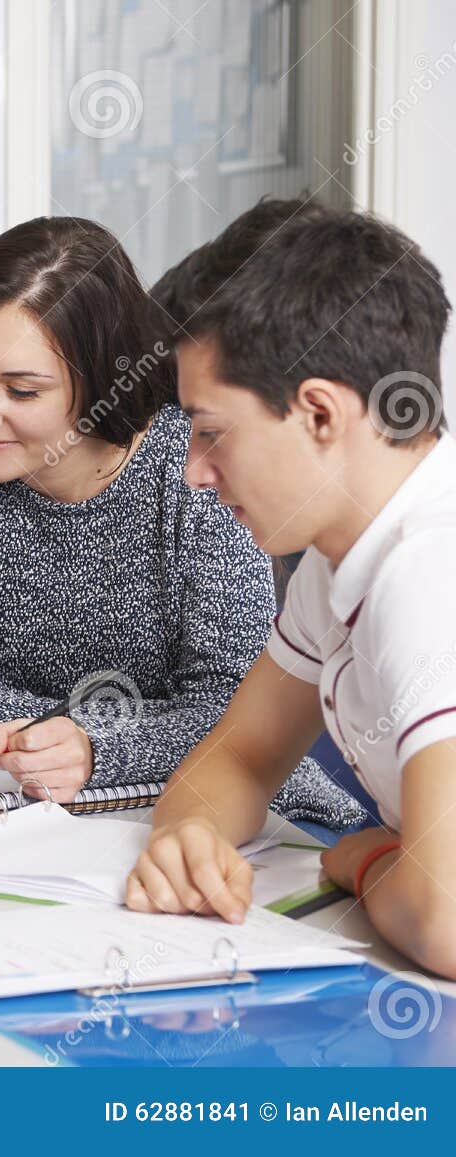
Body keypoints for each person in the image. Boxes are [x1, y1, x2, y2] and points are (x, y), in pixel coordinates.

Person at [0, 215, 362, 829]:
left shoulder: (200, 461)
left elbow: (236, 711)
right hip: (15, 818)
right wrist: (59, 748)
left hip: (234, 807)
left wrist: (92, 745)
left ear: (102, 377)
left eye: (22, 391)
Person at [127, 199, 456, 979]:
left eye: (210, 430)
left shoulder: (428, 566)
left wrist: (364, 863)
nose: (193, 470)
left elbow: (446, 918)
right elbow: (241, 756)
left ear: (316, 412)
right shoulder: (341, 557)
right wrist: (191, 839)